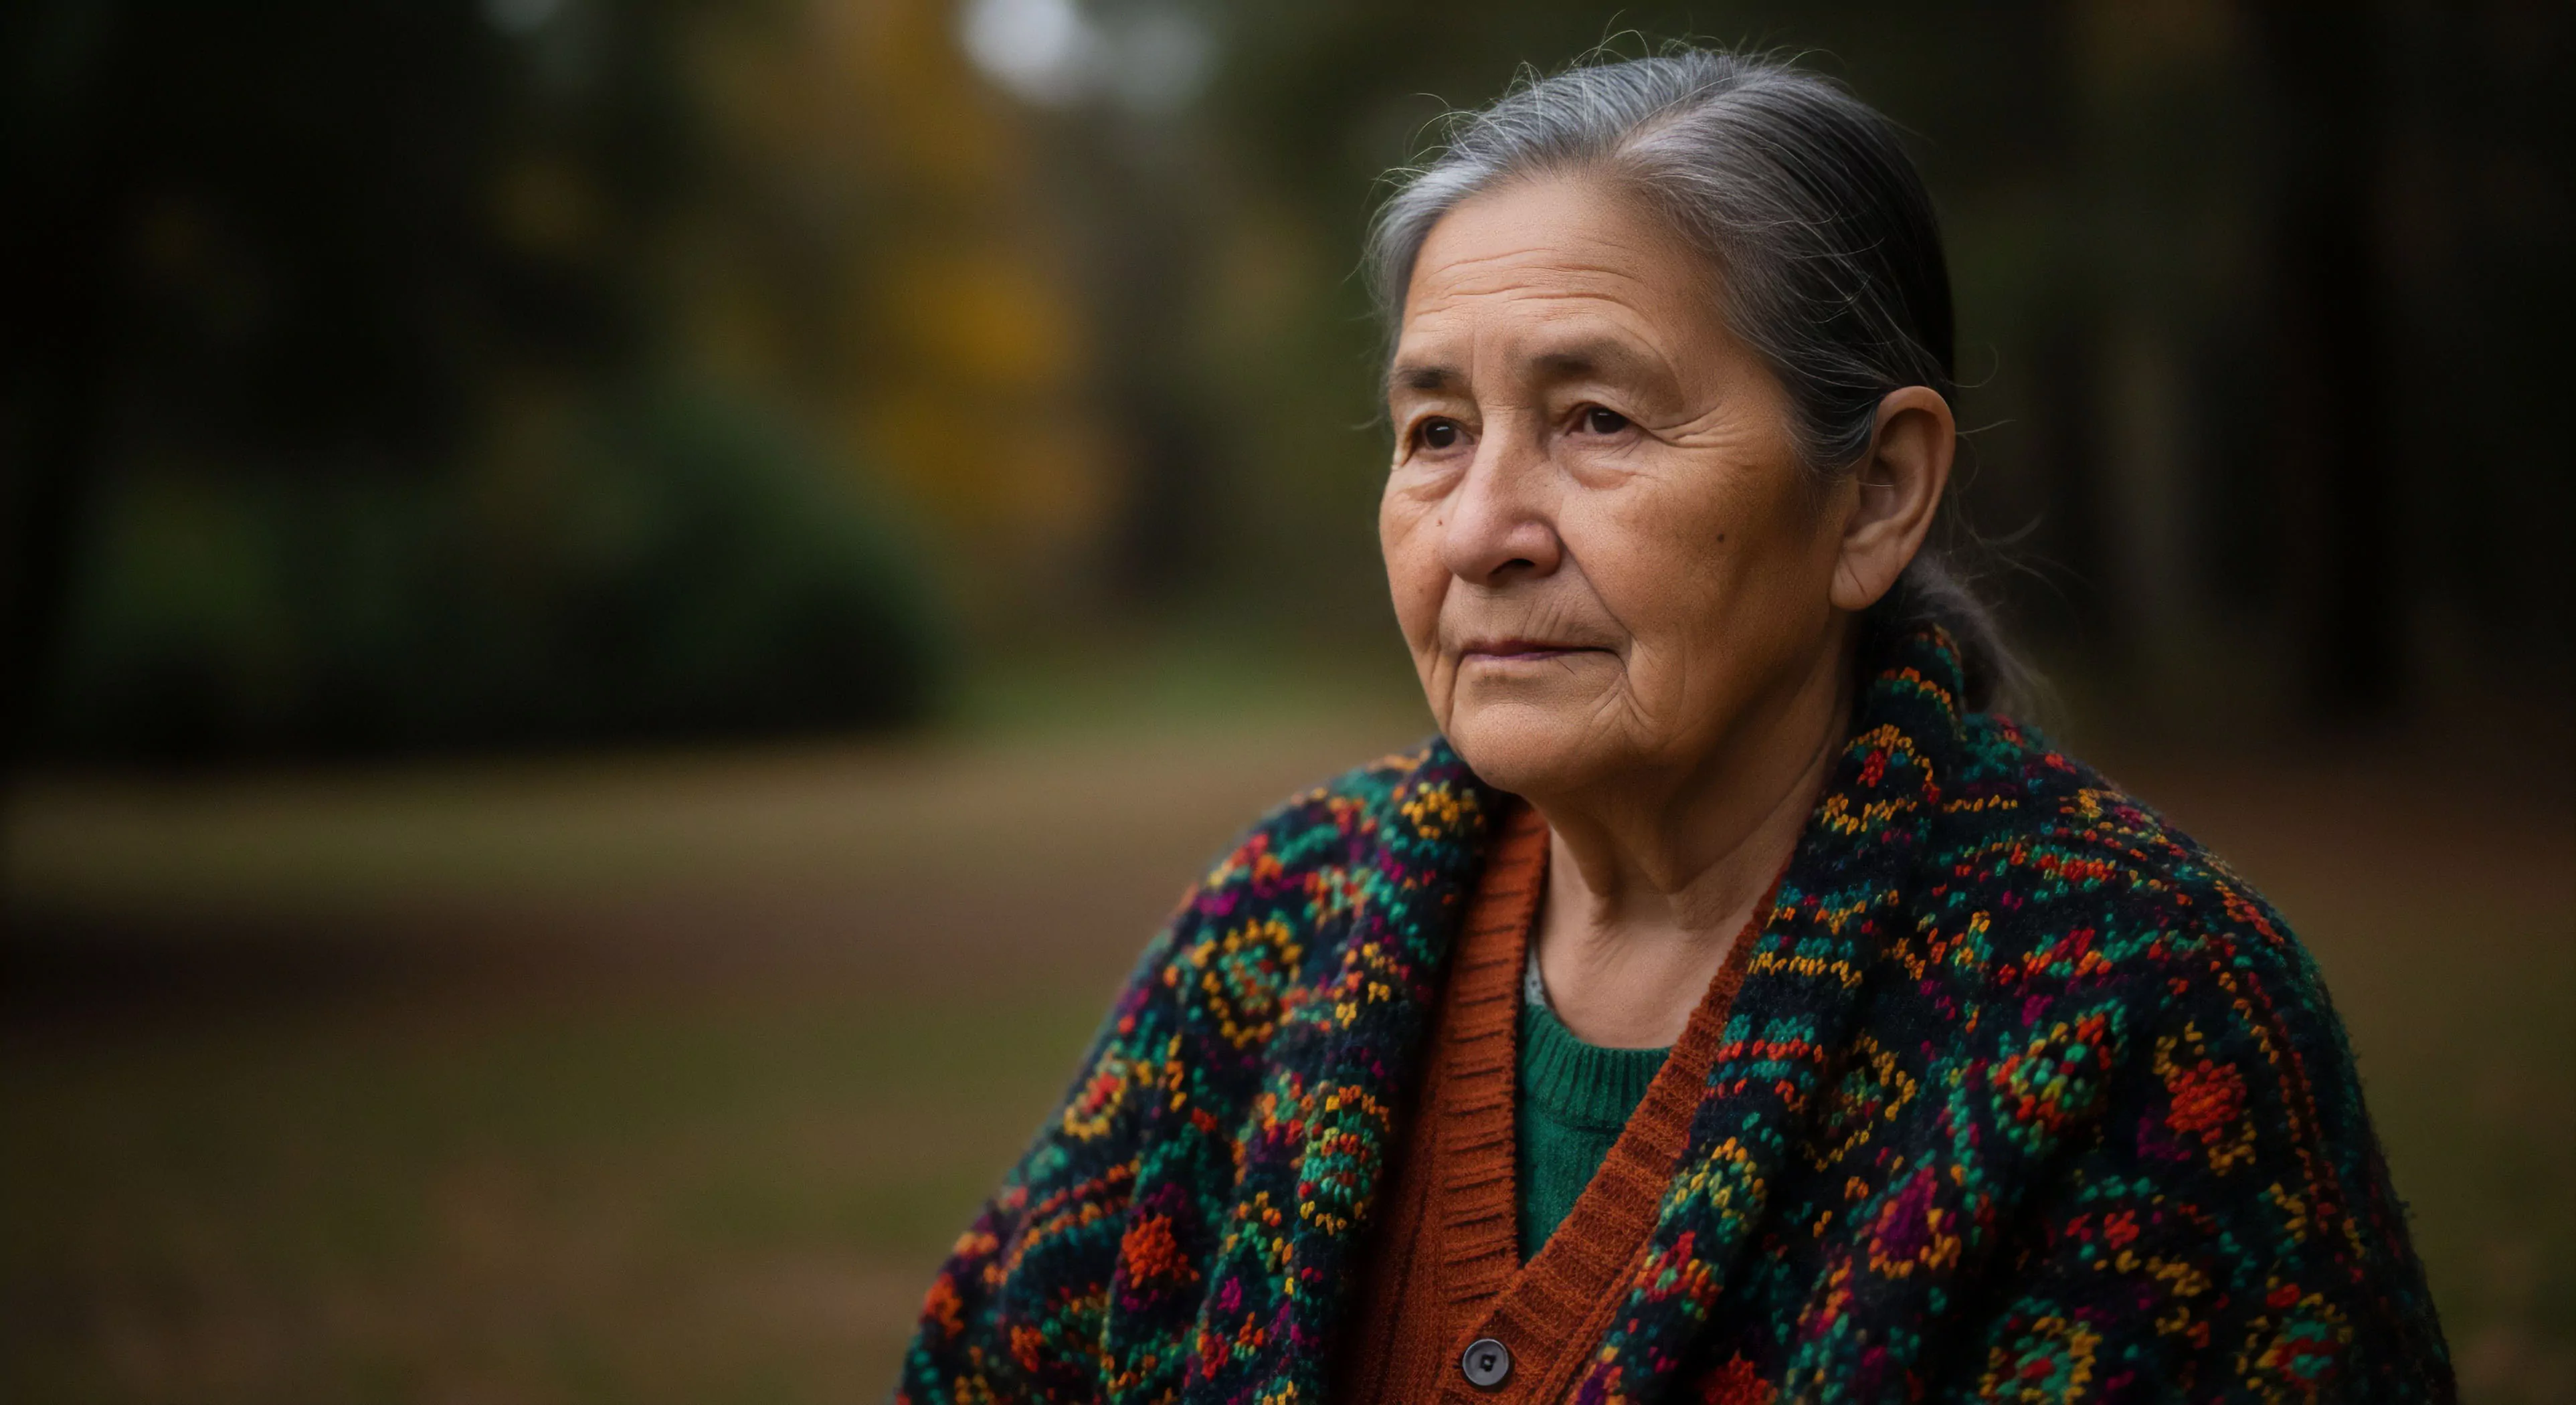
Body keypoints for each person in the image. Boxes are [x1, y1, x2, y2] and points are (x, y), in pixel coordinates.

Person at [895, 49, 2450, 1404]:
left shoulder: (2135, 1008)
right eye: (1434, 432)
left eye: (1595, 420)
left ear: (1875, 495)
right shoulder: (1275, 929)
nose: (1482, 527)